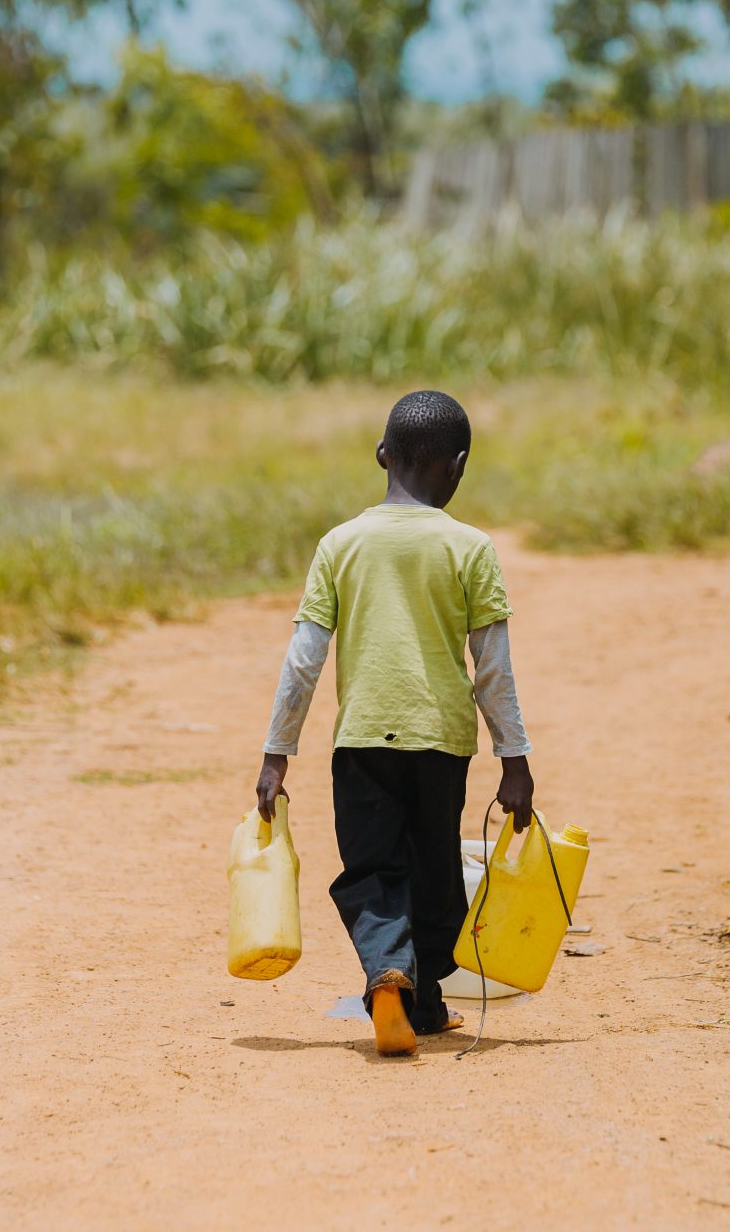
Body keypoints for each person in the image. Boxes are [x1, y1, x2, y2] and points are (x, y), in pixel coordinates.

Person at [255, 389, 537, 1057]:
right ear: (458, 466)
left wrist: (276, 752)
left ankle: (399, 988)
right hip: (441, 742)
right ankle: (417, 993)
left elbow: (302, 661)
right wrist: (515, 760)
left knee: (374, 867)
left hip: (361, 741)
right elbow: (493, 667)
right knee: (434, 871)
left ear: (382, 455)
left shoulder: (339, 544)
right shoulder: (471, 547)